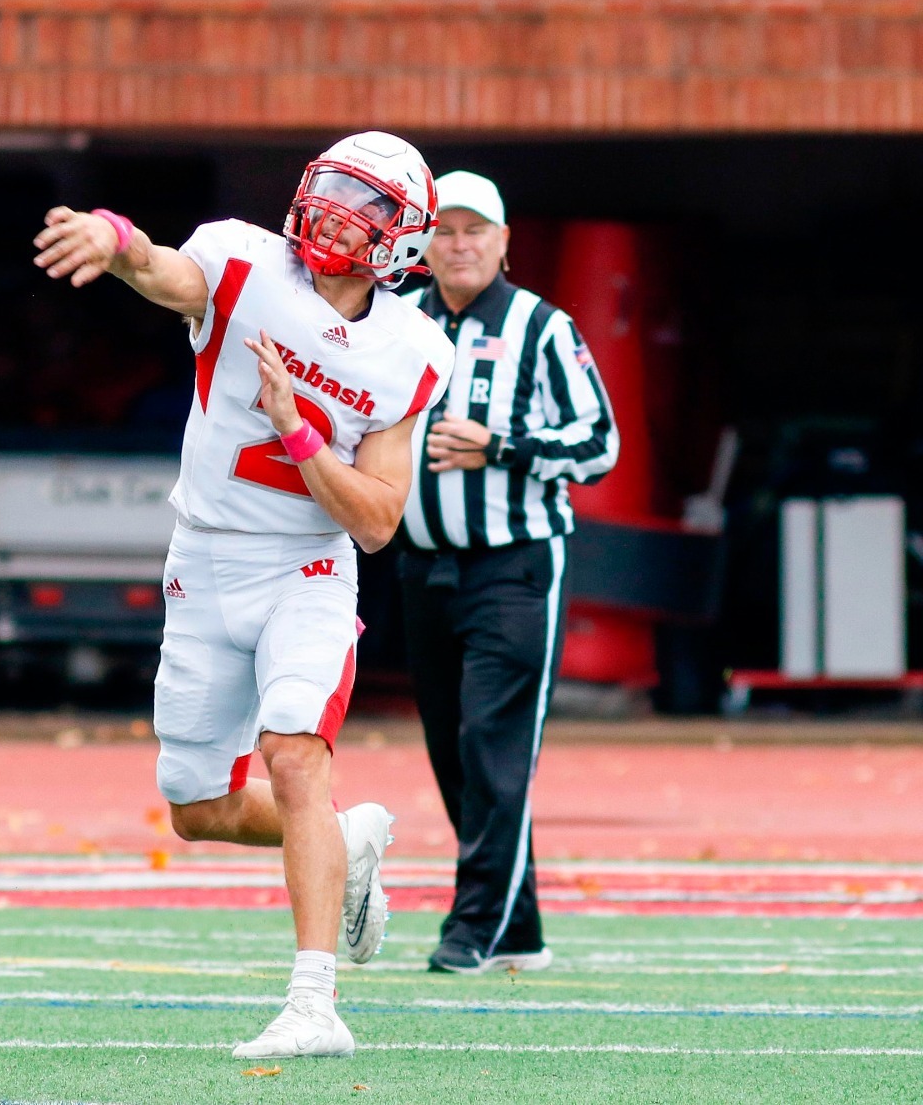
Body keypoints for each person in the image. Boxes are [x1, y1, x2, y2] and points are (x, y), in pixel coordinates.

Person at [34, 132, 455, 1059]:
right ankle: (343, 844)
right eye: (334, 185)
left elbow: (379, 520)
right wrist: (111, 238)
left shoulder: (412, 347)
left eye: (369, 201)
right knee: (197, 806)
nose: (340, 208)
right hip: (203, 560)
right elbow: (162, 271)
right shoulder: (242, 261)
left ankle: (314, 1004)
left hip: (304, 568)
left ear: (403, 237)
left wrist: (302, 435)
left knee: (293, 756)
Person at [395, 170, 618, 975]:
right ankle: (518, 927)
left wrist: (503, 444)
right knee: (451, 751)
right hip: (423, 564)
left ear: (503, 241)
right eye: (444, 231)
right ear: (423, 241)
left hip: (514, 564)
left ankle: (474, 925)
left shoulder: (544, 328)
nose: (458, 245)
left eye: (473, 230)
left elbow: (600, 444)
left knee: (494, 742)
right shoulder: (397, 323)